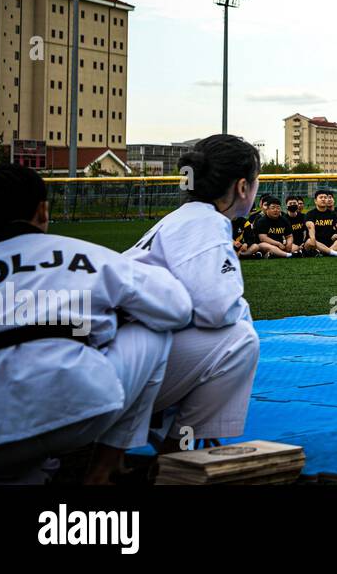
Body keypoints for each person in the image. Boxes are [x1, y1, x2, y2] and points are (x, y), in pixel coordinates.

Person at [0, 164, 192, 484]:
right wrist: (104, 324)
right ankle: (106, 468)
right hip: (85, 409)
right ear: (42, 210)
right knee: (149, 331)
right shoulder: (83, 254)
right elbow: (177, 309)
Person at [125, 133, 262, 453]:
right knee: (240, 336)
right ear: (243, 187)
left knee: (236, 317)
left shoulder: (182, 219)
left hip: (110, 357)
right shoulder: (206, 223)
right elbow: (217, 310)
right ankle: (177, 449)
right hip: (120, 371)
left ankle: (181, 431)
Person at [303, 189, 337, 256]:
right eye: (321, 197)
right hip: (314, 243)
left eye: (325, 197)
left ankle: (323, 252)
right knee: (309, 241)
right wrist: (313, 240)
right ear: (315, 201)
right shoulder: (310, 214)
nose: (323, 199)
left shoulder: (333, 214)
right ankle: (336, 253)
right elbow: (310, 228)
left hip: (329, 244)